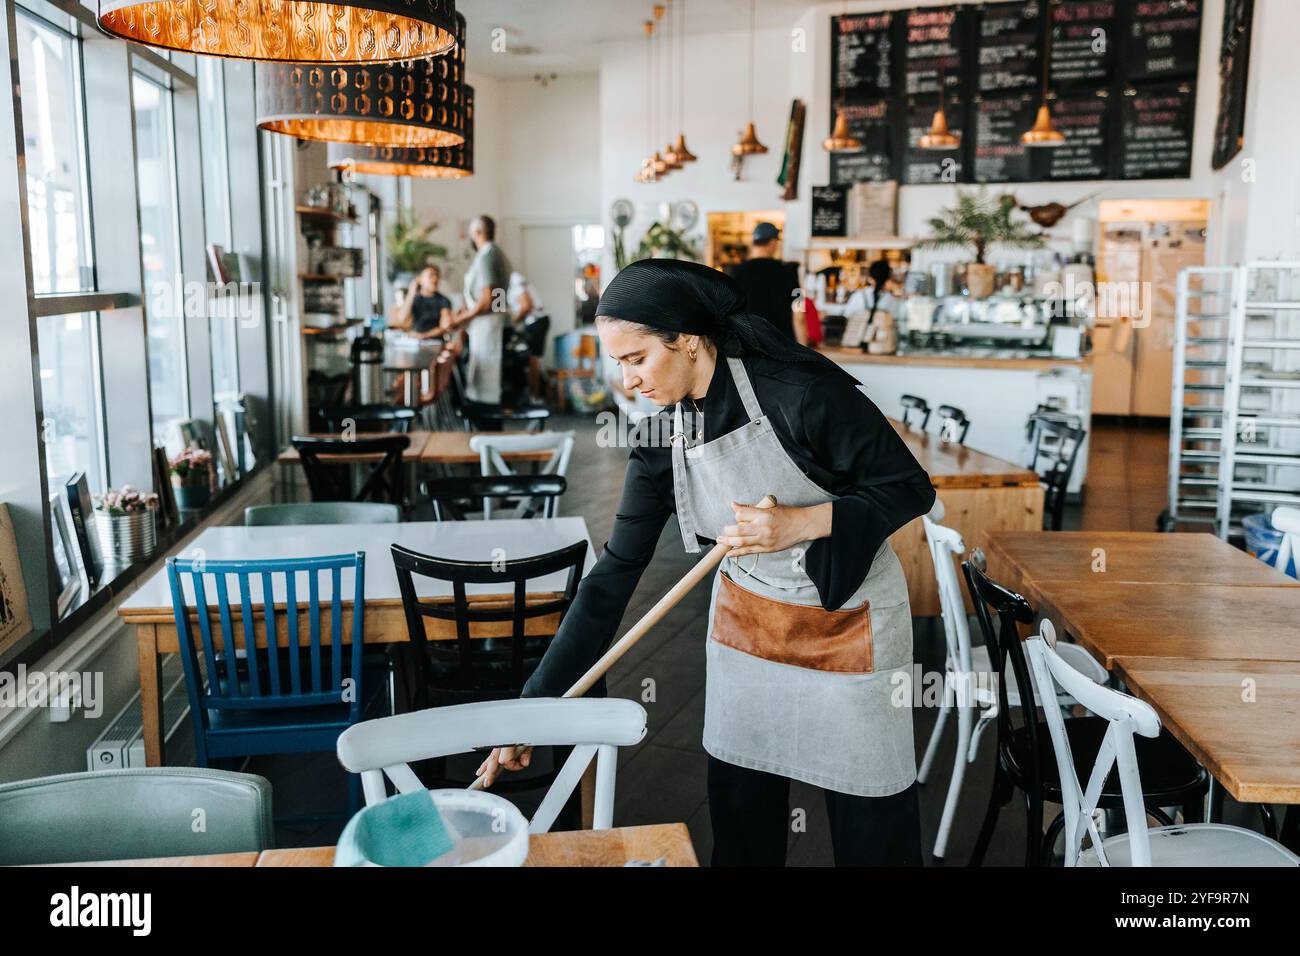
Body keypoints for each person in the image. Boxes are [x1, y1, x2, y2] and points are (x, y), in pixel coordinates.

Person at [476, 259, 936, 867]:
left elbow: (909, 488)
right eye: (618, 363)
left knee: (870, 827)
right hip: (749, 633)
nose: (627, 381)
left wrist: (805, 521)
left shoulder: (802, 396)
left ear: (688, 342)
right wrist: (534, 705)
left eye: (636, 358)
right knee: (743, 828)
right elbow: (612, 577)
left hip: (847, 627)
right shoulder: (658, 440)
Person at [439, 215, 512, 403]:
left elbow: (488, 300)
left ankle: (487, 425)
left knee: (486, 383)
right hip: (489, 322)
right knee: (484, 379)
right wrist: (464, 310)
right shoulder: (495, 254)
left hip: (487, 324)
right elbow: (492, 298)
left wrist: (459, 320)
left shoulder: (488, 256)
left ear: (478, 232)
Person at [726, 222, 806, 345]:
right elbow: (799, 314)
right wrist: (805, 354)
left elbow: (729, 313)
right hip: (782, 347)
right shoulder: (790, 272)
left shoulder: (736, 272)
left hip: (751, 347)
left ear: (754, 243)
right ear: (773, 243)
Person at [507, 271, 549, 402]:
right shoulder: (513, 282)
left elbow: (526, 305)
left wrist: (513, 320)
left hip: (536, 322)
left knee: (532, 360)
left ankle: (535, 397)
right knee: (533, 359)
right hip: (537, 321)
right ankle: (535, 394)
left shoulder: (514, 280)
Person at [389, 265, 451, 338]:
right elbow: (402, 319)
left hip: (435, 343)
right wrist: (411, 293)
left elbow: (444, 326)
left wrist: (423, 336)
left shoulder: (443, 300)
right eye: (431, 276)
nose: (435, 279)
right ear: (419, 279)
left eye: (437, 275)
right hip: (414, 342)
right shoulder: (413, 299)